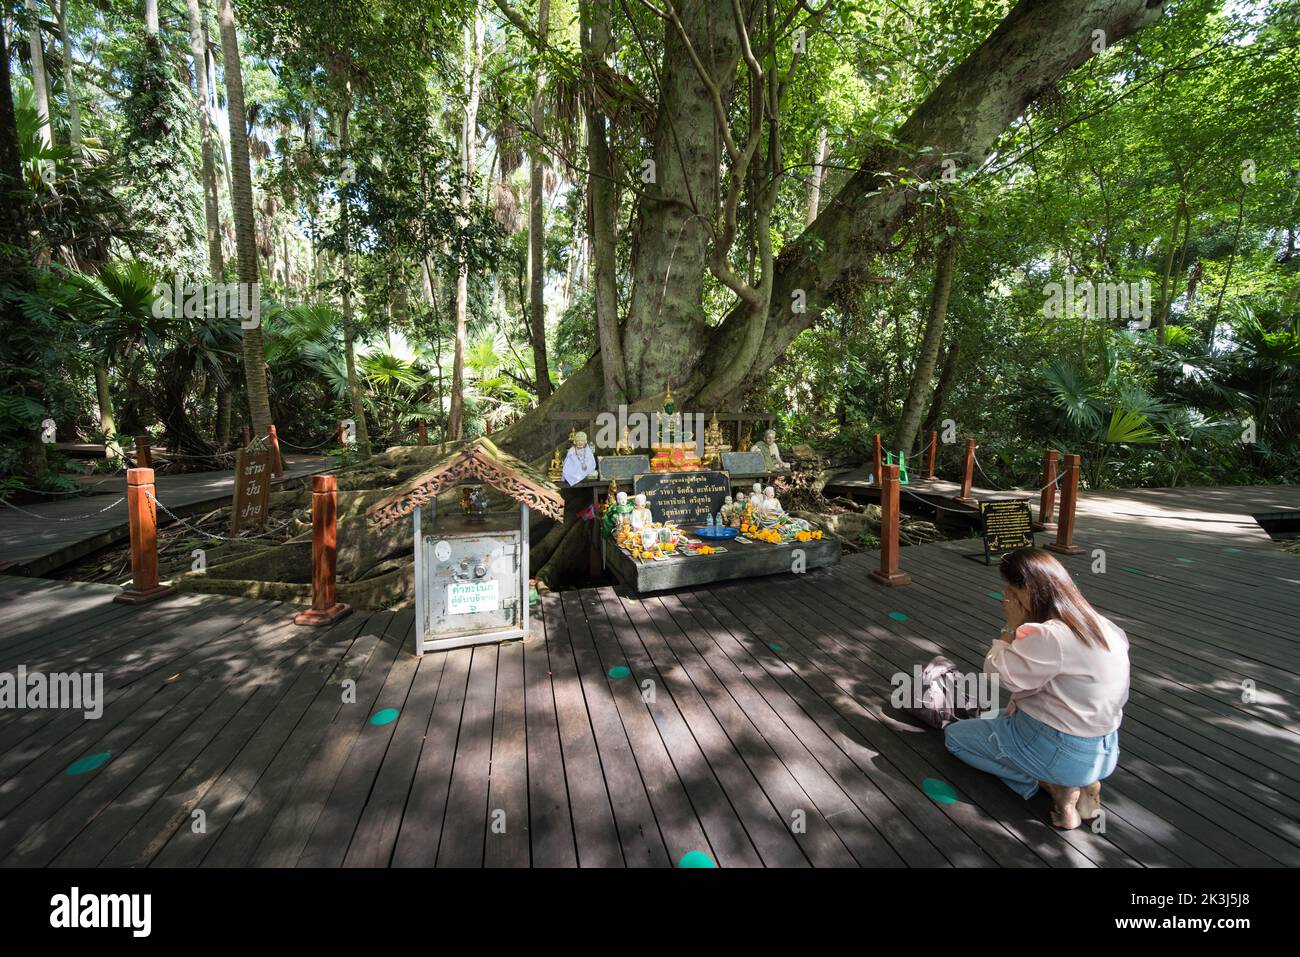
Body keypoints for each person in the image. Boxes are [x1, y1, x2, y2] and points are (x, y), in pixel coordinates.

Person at [943, 547, 1130, 829]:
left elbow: (998, 676)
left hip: (1061, 750)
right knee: (991, 715)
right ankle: (1084, 782)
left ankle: (1056, 788)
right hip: (1104, 749)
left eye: (1012, 593)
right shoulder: (1103, 626)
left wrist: (1010, 626)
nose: (1008, 598)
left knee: (955, 737)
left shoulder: (1048, 634)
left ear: (1027, 590)